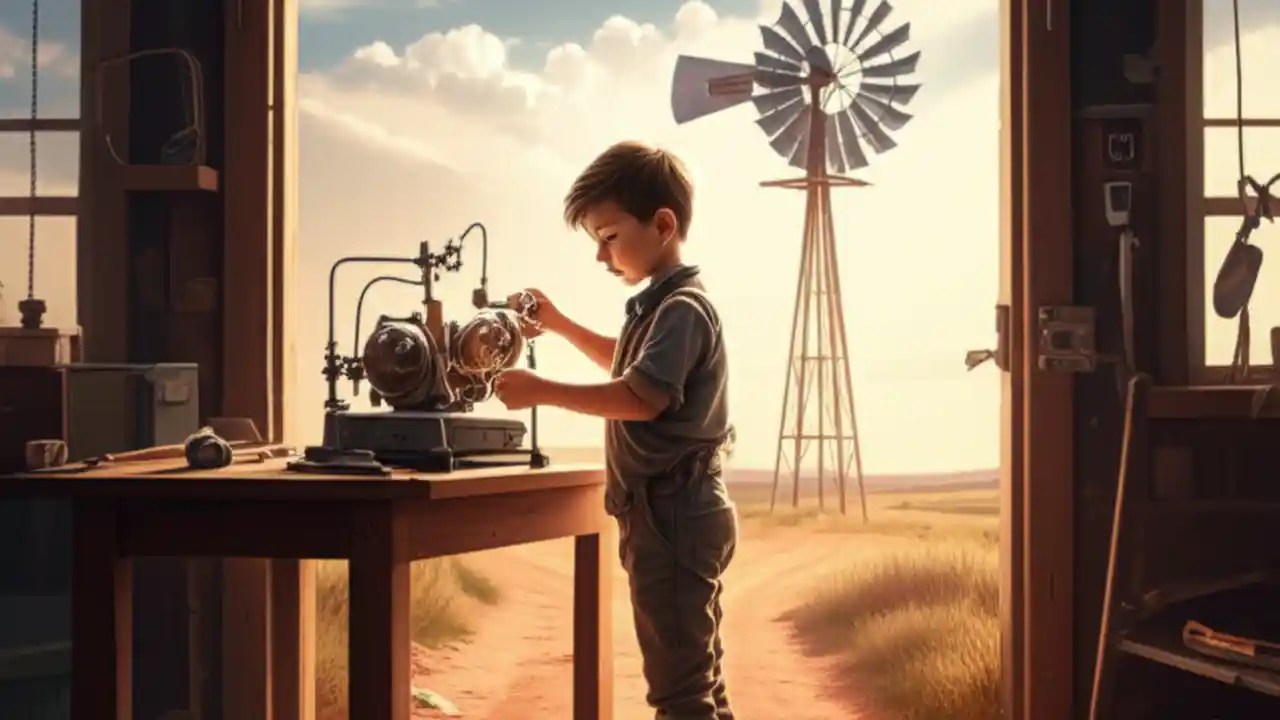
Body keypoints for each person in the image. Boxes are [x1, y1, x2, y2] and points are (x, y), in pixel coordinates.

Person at [493, 140, 738, 719]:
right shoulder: (662, 308)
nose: (603, 257)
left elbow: (640, 396)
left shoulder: (681, 309)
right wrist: (555, 324)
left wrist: (542, 390)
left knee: (680, 694)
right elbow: (627, 364)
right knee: (700, 676)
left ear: (662, 224)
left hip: (674, 513)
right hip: (673, 511)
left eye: (608, 237)